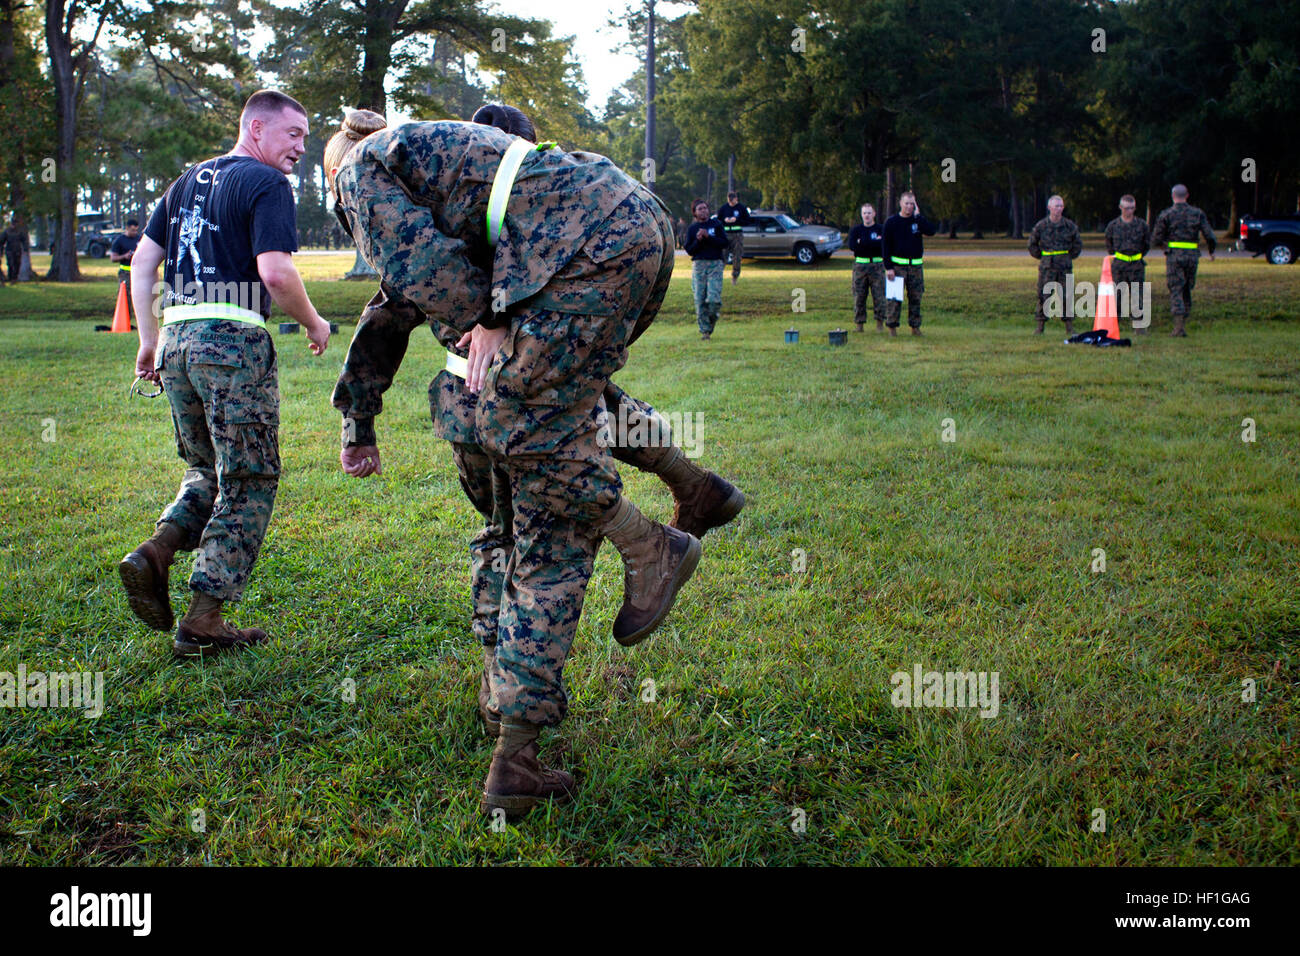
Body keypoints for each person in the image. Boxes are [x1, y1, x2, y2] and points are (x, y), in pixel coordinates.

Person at [326, 110, 709, 818]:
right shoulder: (472, 185)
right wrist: (488, 319)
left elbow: (402, 291)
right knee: (550, 554)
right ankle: (518, 745)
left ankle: (500, 702)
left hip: (469, 406)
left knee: (505, 539)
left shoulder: (382, 177)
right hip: (508, 387)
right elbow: (412, 284)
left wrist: (362, 416)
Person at [118, 89, 331, 657]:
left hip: (179, 336)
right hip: (232, 340)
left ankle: (158, 550)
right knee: (250, 477)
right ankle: (204, 618)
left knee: (205, 466)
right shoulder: (267, 185)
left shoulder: (187, 181)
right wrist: (313, 323)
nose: (301, 149)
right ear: (257, 129)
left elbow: (142, 262)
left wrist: (149, 340)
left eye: (307, 139)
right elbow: (276, 272)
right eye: (294, 135)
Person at [1152, 183, 1216, 337]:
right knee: (1187, 288)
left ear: (1173, 196)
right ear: (1187, 196)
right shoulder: (1197, 213)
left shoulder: (1166, 214)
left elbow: (1156, 238)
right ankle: (1184, 321)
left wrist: (1164, 247)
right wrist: (1211, 251)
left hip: (1175, 257)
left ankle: (1178, 326)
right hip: (1192, 257)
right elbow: (1210, 236)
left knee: (1176, 289)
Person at [1028, 195, 1083, 335]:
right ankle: (1040, 326)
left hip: (1064, 266)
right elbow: (1032, 244)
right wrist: (1043, 257)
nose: (1059, 209)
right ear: (1049, 208)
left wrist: (1067, 257)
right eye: (1056, 206)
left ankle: (1069, 327)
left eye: (1061, 206)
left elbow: (1077, 245)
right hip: (1047, 266)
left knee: (1067, 295)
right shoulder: (1041, 226)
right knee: (1044, 295)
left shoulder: (1069, 226)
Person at [882, 191, 935, 336]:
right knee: (894, 299)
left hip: (915, 267)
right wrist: (888, 268)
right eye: (906, 203)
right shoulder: (892, 222)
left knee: (916, 297)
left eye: (912, 204)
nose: (909, 207)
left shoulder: (917, 221)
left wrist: (918, 217)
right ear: (900, 203)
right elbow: (885, 246)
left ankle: (915, 327)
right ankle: (892, 327)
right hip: (897, 267)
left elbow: (931, 231)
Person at [1104, 195, 1151, 333]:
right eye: (1126, 208)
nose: (1128, 211)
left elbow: (1146, 244)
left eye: (1131, 208)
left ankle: (1139, 326)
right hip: (1119, 265)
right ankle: (1114, 325)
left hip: (1136, 264)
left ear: (1135, 208)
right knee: (1117, 294)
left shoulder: (1142, 225)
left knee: (1137, 295)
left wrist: (1137, 256)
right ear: (1120, 208)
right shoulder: (1113, 226)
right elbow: (1109, 244)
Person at [684, 198, 728, 340]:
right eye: (700, 209)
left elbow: (724, 243)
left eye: (705, 208)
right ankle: (705, 332)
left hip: (715, 264)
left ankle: (711, 322)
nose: (703, 211)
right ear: (695, 213)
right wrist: (698, 240)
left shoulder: (716, 225)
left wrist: (708, 237)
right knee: (700, 299)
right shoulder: (692, 229)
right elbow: (689, 250)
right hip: (699, 266)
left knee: (714, 300)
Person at [848, 203, 886, 332]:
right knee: (859, 296)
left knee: (879, 295)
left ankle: (880, 324)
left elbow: (883, 246)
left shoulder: (881, 229)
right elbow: (853, 246)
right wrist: (873, 244)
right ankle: (859, 325)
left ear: (874, 214)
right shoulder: (856, 230)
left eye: (869, 213)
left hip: (877, 266)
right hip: (860, 267)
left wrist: (863, 243)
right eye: (864, 213)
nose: (867, 215)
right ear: (861, 214)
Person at [716, 190, 752, 284]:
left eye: (732, 200)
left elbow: (748, 221)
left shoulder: (741, 208)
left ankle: (735, 276)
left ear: (736, 199)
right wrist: (725, 220)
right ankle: (718, 276)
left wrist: (737, 220)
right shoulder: (724, 208)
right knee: (723, 255)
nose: (731, 202)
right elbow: (718, 221)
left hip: (737, 235)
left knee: (737, 256)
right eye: (729, 201)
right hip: (725, 234)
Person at [110, 218, 140, 285]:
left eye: (136, 230)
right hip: (125, 274)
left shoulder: (139, 239)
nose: (135, 232)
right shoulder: (119, 241)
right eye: (132, 230)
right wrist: (124, 256)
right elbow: (113, 258)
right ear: (127, 228)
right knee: (125, 294)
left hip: (138, 272)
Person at [3, 216, 29, 283]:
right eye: (13, 223)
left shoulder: (19, 232)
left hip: (17, 250)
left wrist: (25, 248)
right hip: (9, 250)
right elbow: (2, 241)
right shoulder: (7, 231)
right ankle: (10, 277)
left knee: (17, 264)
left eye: (15, 223)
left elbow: (24, 240)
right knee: (11, 264)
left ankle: (15, 278)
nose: (14, 225)